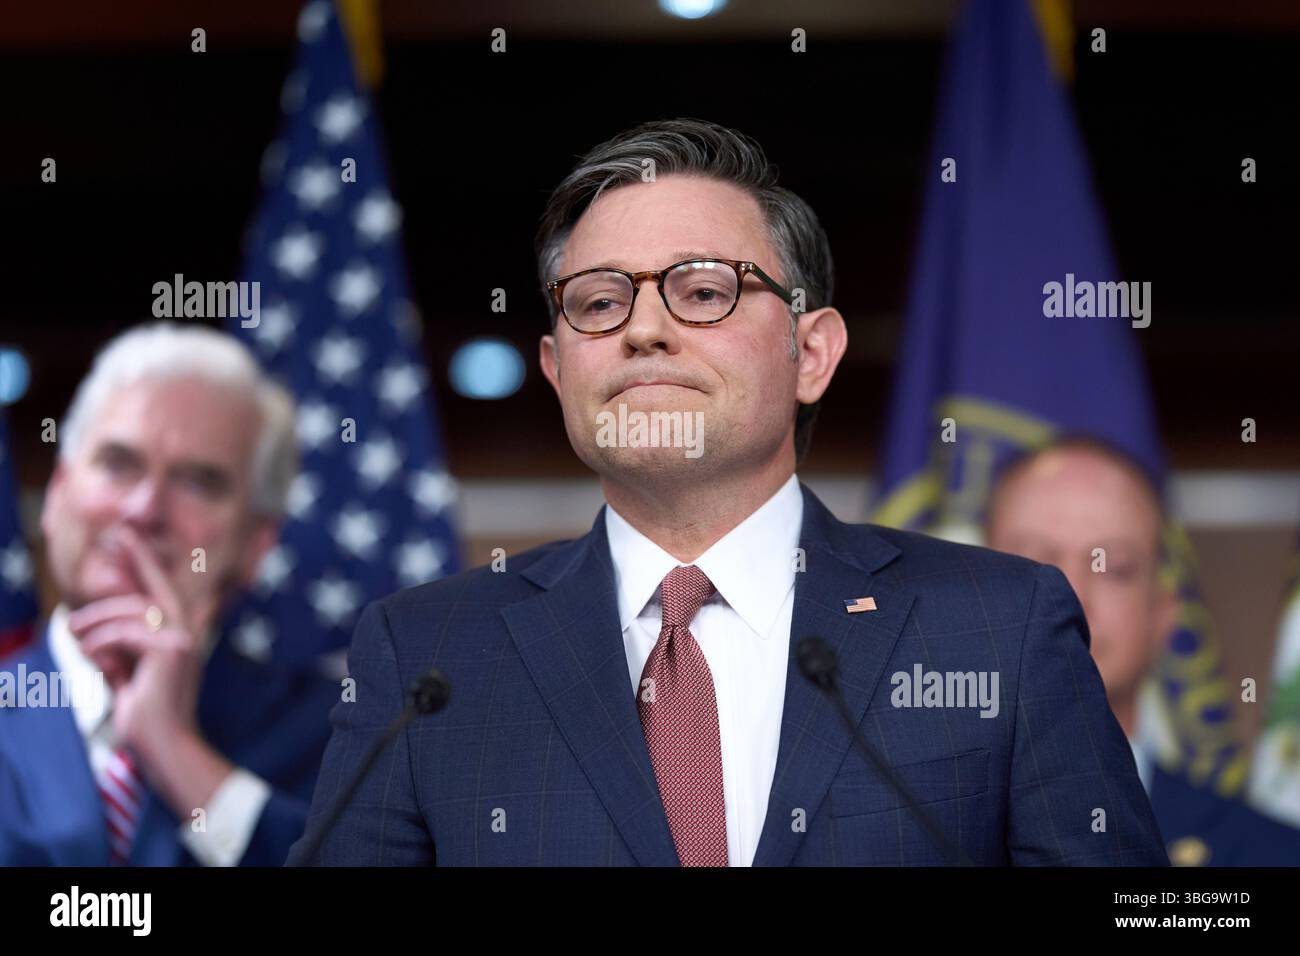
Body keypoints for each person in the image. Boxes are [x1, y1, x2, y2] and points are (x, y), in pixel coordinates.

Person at [290, 118, 1164, 866]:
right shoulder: (427, 653)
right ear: (557, 372)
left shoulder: (1000, 628)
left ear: (810, 352)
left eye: (703, 290)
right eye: (598, 303)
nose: (644, 328)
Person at [0, 323, 338, 866]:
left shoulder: (343, 731)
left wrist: (175, 751)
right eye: (117, 464)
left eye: (198, 482)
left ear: (256, 543)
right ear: (58, 495)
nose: (144, 510)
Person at [986, 437, 1300, 865]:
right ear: (970, 600)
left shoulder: (1274, 856)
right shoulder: (886, 836)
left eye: (1114, 568)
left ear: (1163, 612)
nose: (1073, 596)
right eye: (1033, 565)